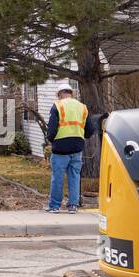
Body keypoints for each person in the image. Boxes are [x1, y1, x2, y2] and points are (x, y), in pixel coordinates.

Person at [45, 85, 94, 213]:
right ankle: (73, 205)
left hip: (60, 147)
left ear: (60, 94)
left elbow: (51, 129)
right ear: (71, 93)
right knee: (74, 176)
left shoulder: (58, 106)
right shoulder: (82, 107)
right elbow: (89, 131)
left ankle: (54, 206)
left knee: (57, 177)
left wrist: (51, 140)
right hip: (77, 147)